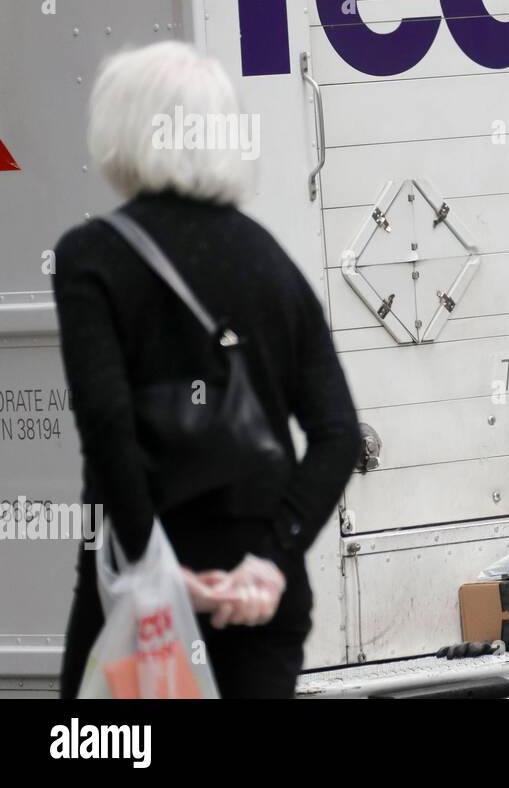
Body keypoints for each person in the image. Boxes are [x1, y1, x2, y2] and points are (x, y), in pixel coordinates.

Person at [56, 41, 362, 698]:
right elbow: (339, 435)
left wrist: (156, 568)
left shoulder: (91, 257)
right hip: (257, 601)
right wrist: (271, 562)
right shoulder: (271, 261)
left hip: (136, 598)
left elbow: (107, 424)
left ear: (122, 130)